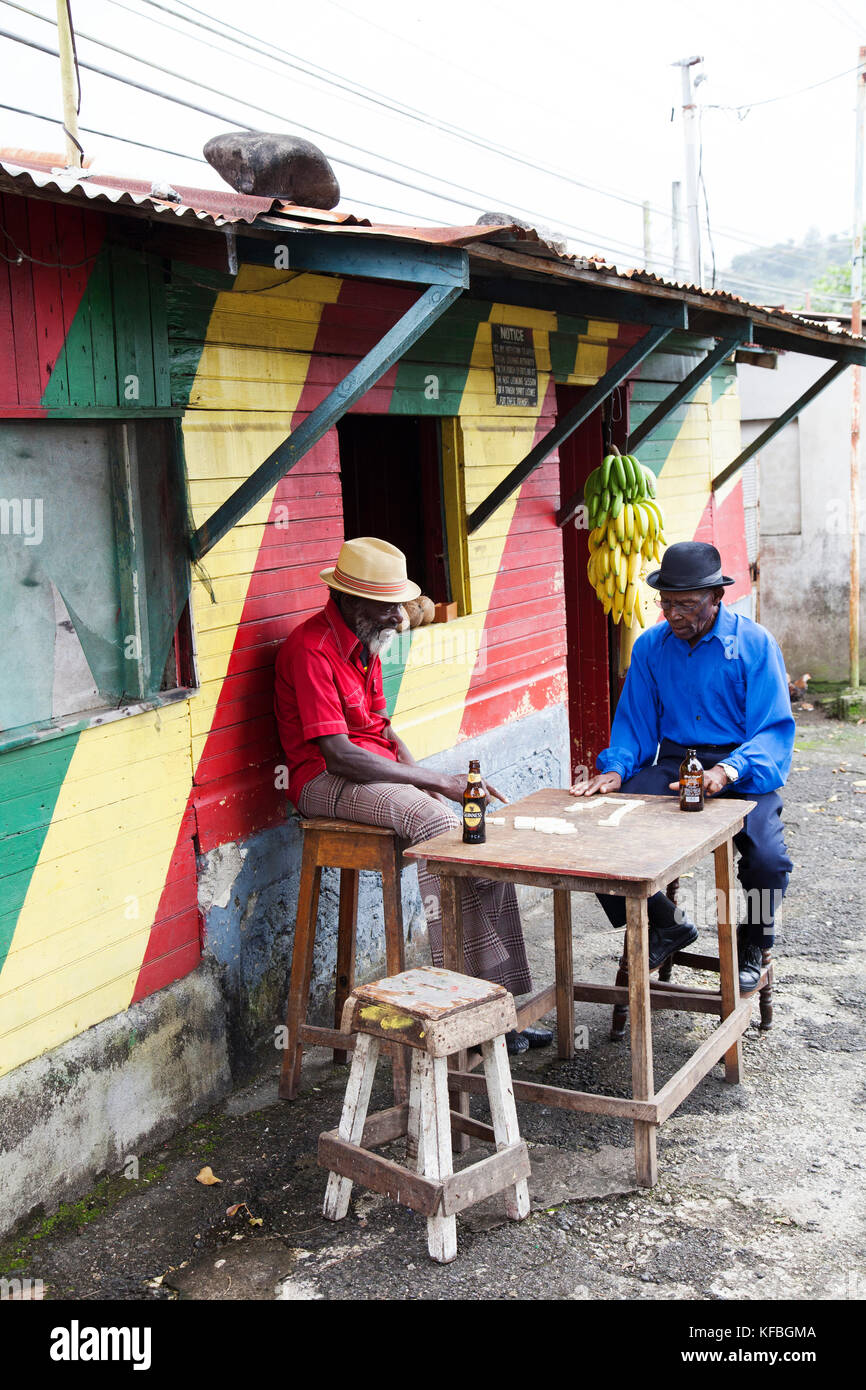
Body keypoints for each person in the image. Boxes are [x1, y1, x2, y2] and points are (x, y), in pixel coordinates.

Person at [274, 535, 552, 1054]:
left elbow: (383, 731)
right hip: (321, 782)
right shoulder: (311, 649)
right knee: (438, 826)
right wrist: (433, 786)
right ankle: (455, 1010)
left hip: (367, 773)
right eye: (389, 608)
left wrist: (435, 781)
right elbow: (340, 756)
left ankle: (500, 1006)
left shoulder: (363, 643)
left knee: (472, 827)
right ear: (354, 602)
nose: (399, 618)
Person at [571, 541, 795, 993]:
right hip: (676, 763)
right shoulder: (652, 647)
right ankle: (668, 924)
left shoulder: (754, 644)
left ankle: (751, 945)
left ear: (716, 598)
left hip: (742, 768)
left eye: (687, 605)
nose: (674, 615)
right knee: (596, 831)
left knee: (768, 860)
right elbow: (634, 723)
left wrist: (727, 771)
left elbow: (773, 731)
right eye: (667, 603)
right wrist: (616, 768)